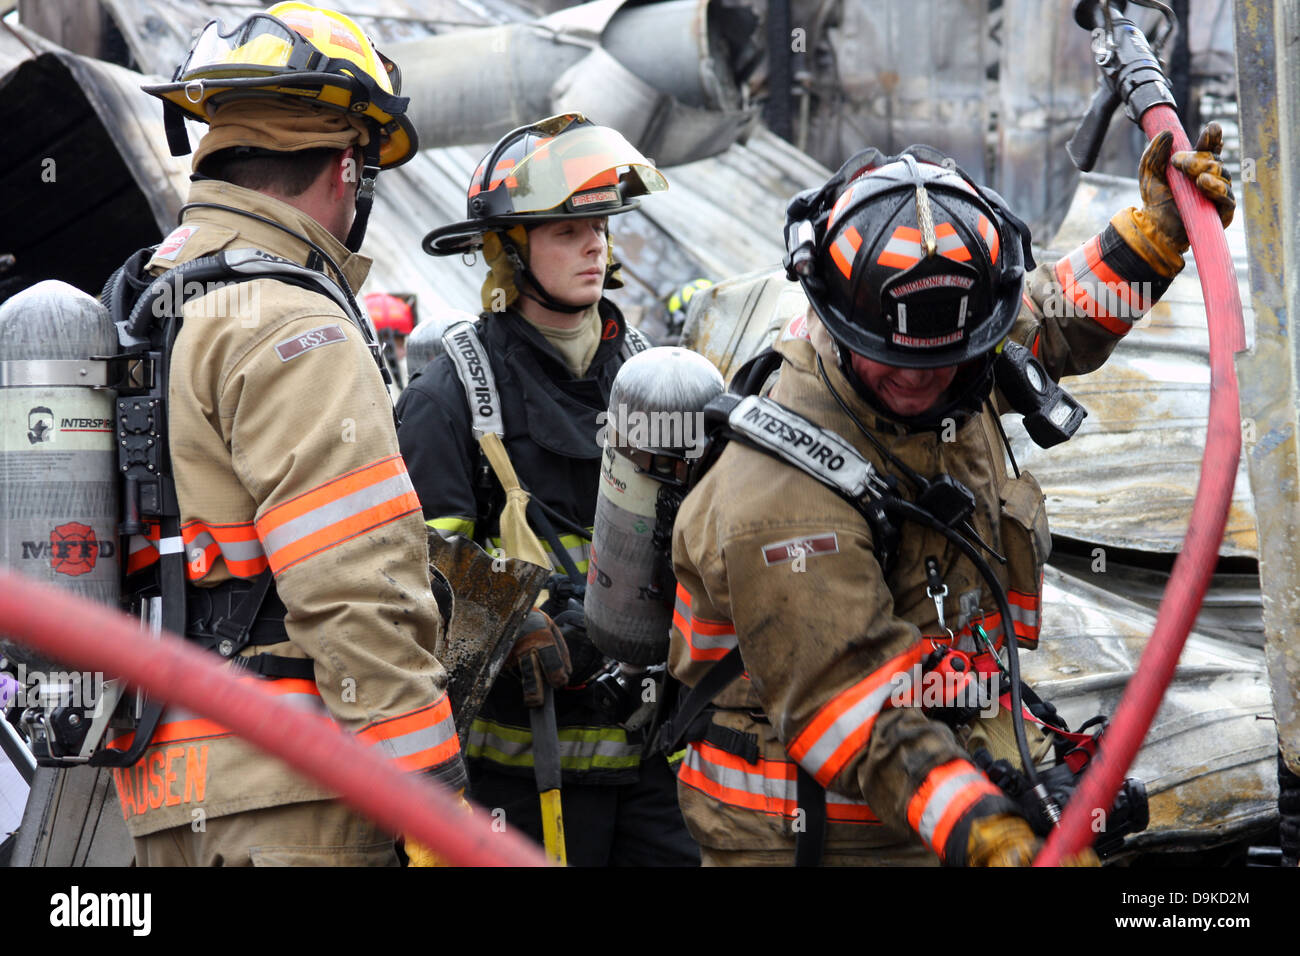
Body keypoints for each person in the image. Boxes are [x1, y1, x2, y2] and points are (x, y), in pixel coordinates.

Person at [668, 128, 1234, 866]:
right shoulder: (781, 494)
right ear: (838, 325)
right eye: (894, 363)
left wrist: (1154, 237)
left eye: (949, 361)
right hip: (814, 833)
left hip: (939, 767)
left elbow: (1055, 317)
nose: (919, 381)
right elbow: (855, 711)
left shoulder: (939, 345)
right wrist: (992, 836)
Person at [109, 2, 465, 866]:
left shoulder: (142, 302)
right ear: (348, 168)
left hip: (167, 793)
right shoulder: (287, 323)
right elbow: (356, 585)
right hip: (293, 797)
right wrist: (434, 801)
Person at [397, 113, 700, 865]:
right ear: (508, 249)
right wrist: (515, 627)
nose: (595, 243)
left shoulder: (655, 385)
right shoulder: (451, 398)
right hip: (523, 778)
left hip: (654, 762)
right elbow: (413, 576)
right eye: (567, 230)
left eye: (599, 223)